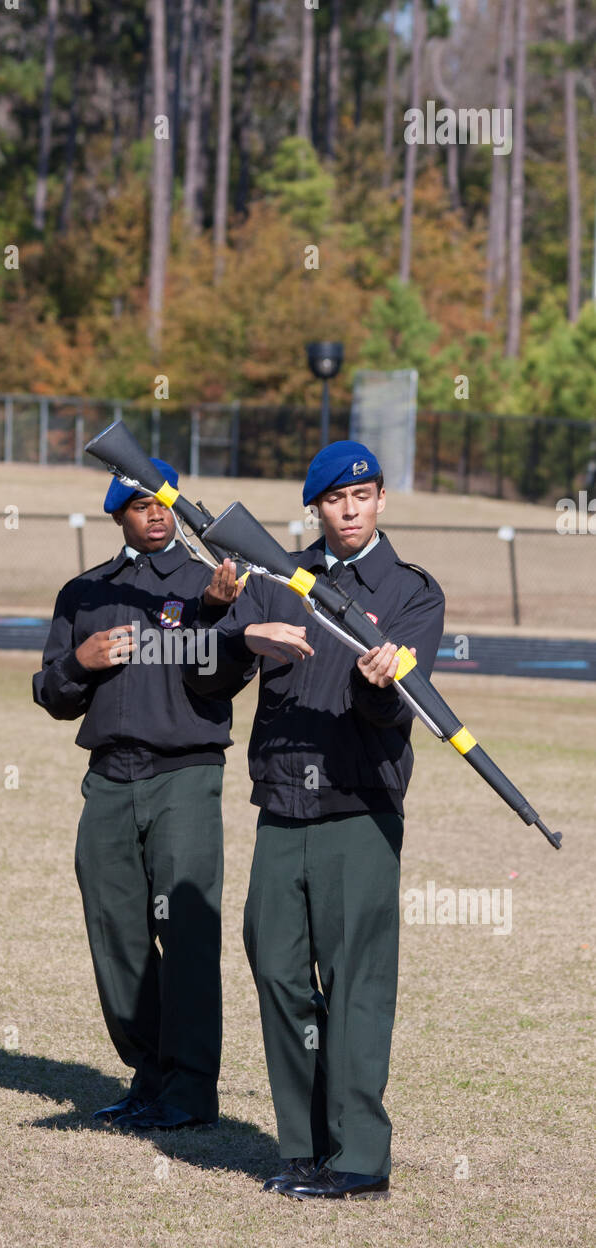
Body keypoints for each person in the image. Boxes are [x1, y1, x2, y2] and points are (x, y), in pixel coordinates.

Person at [184, 440, 445, 1199]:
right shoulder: (273, 578)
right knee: (275, 968)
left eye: (363, 495)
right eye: (336, 499)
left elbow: (399, 705)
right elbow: (209, 679)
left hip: (358, 807)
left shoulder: (412, 592)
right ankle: (302, 1145)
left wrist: (374, 686)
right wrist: (237, 635)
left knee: (358, 980)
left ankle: (360, 1156)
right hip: (281, 806)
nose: (351, 509)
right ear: (316, 508)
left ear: (382, 500)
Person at [32, 461, 241, 1132]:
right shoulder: (83, 593)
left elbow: (226, 678)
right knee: (115, 933)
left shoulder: (212, 583)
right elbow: (51, 696)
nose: (156, 515)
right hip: (108, 781)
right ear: (117, 515)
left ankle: (189, 1090)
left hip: (184, 775)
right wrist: (77, 664)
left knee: (185, 934)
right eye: (140, 505)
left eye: (164, 504)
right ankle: (148, 1074)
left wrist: (213, 616)